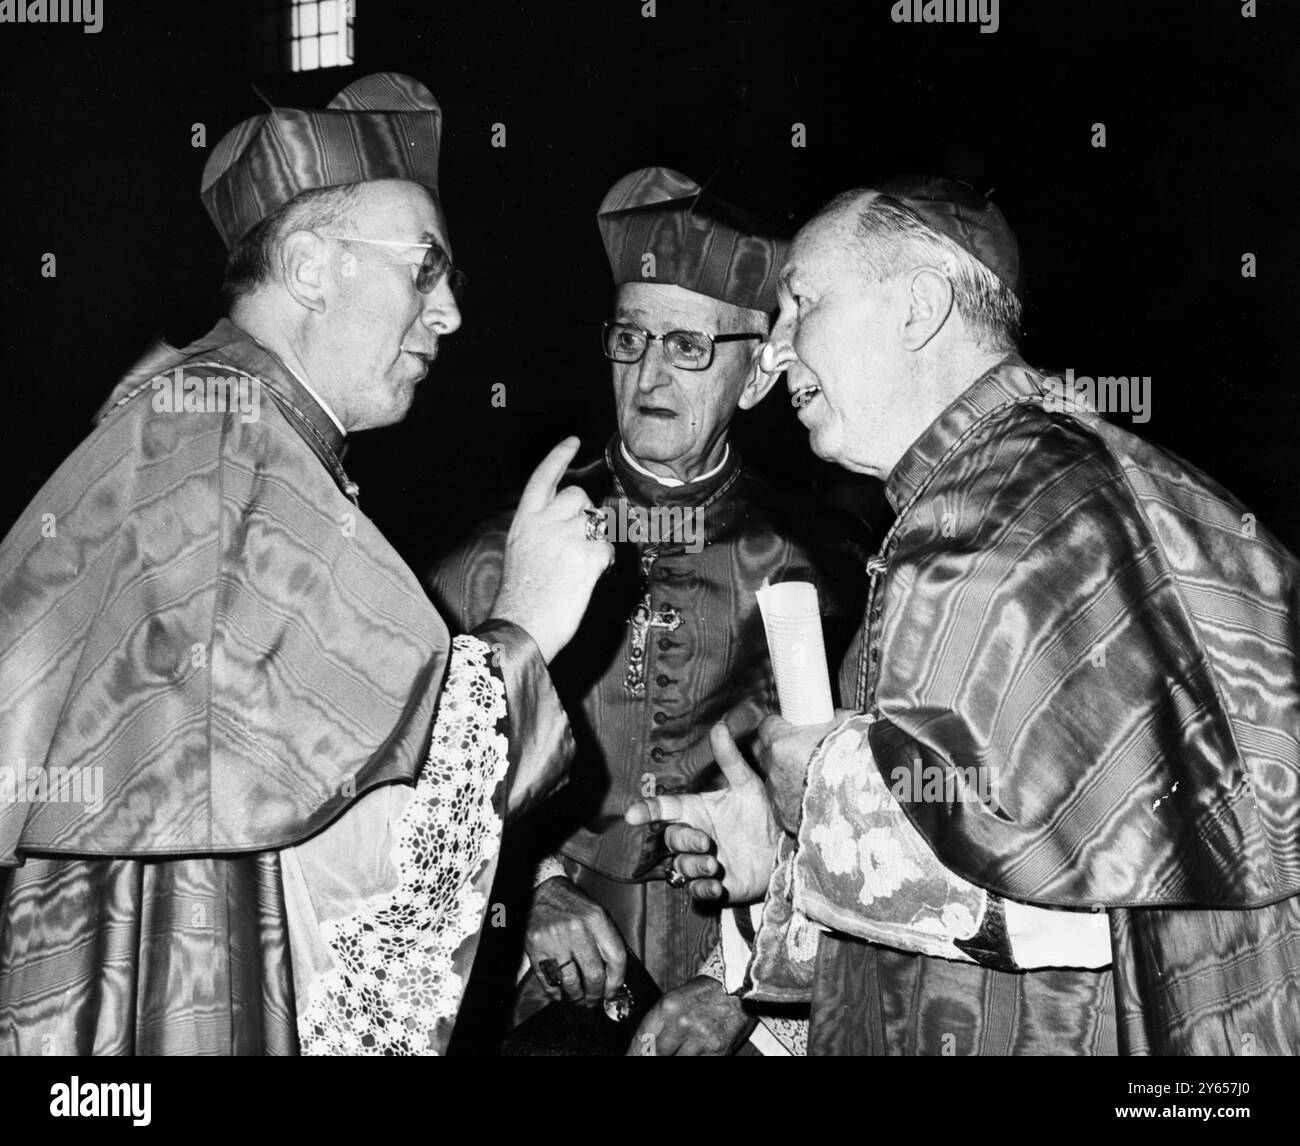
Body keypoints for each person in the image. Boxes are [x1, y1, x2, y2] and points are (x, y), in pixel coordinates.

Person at [0, 73, 612, 1055]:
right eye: (425, 269)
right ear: (309, 266)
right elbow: (364, 816)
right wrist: (527, 624)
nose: (450, 314)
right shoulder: (224, 447)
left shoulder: (212, 425)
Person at [632, 175, 1300, 1055]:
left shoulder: (1027, 512)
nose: (777, 348)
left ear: (919, 307)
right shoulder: (1016, 484)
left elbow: (1074, 880)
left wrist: (819, 791)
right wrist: (782, 853)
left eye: (802, 303)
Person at [431, 166, 866, 1055]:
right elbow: (414, 778)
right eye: (630, 338)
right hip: (536, 956)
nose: (649, 372)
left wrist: (739, 985)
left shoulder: (812, 566)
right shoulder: (508, 549)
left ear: (757, 375)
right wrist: (532, 894)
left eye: (689, 345)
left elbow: (849, 818)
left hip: (735, 944)